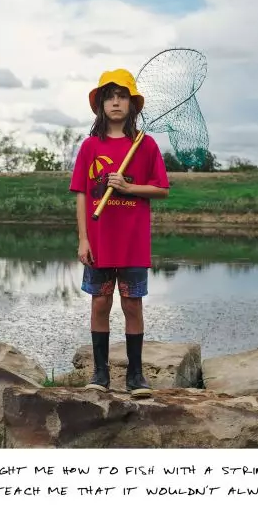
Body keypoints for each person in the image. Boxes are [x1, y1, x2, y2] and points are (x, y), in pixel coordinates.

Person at [69, 68, 170, 398]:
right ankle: (100, 373)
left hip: (132, 242)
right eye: (109, 96)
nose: (115, 102)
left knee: (132, 305)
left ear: (132, 104)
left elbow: (162, 189)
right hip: (99, 241)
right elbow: (83, 194)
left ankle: (136, 376)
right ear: (100, 104)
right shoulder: (89, 147)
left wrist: (129, 186)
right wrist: (83, 239)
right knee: (100, 303)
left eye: (122, 96)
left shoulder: (146, 145)